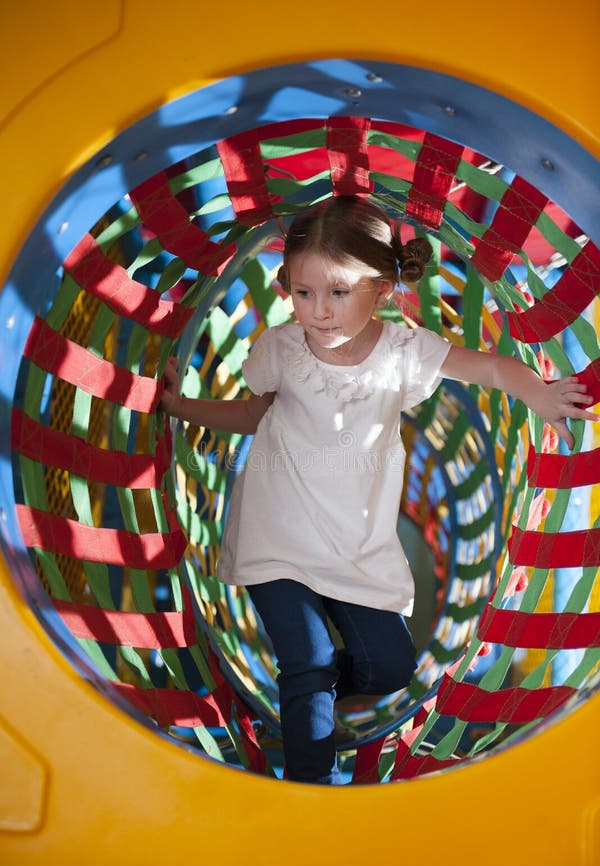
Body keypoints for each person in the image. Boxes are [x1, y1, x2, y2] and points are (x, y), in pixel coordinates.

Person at [160, 195, 598, 785]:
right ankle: (305, 787)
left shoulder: (403, 353)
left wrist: (539, 394)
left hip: (355, 542)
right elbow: (256, 414)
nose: (318, 310)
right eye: (303, 291)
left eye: (338, 293)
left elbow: (491, 368)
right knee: (307, 660)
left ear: (383, 288)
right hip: (277, 531)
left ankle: (306, 709)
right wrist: (182, 407)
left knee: (389, 666)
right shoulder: (282, 350)